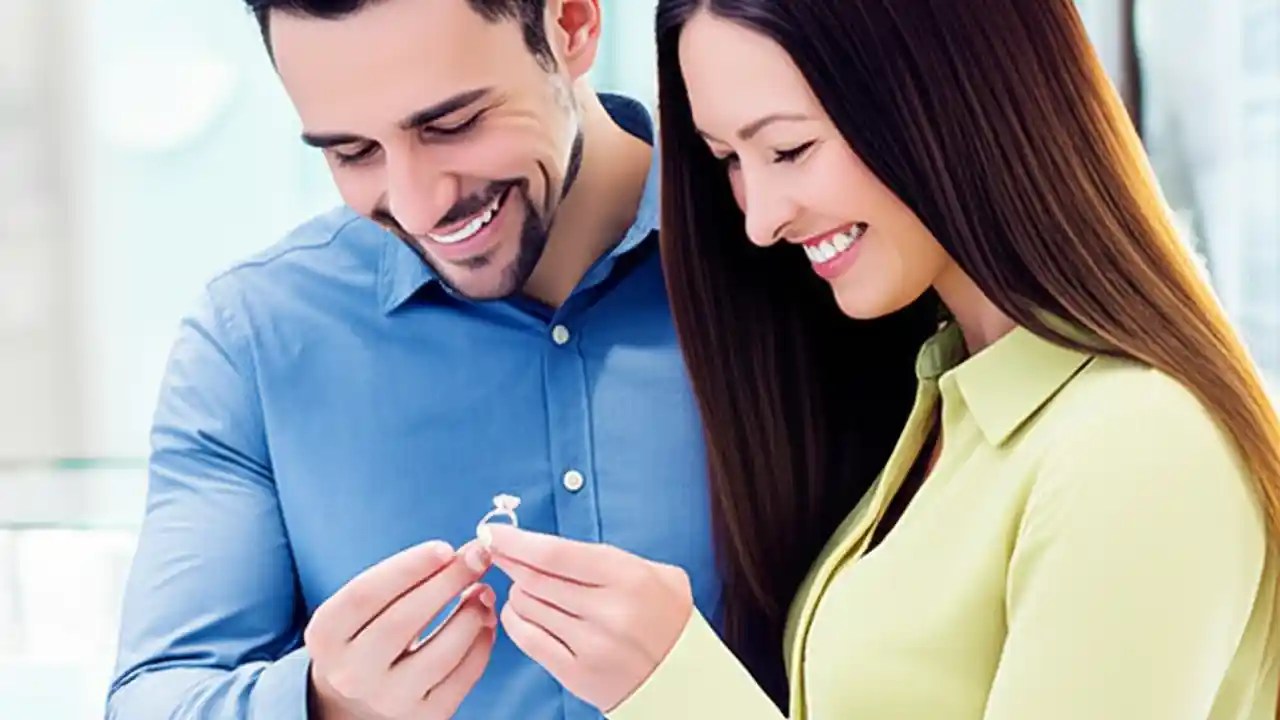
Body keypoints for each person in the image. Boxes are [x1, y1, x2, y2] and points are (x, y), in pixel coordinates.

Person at [478, 1, 1280, 718]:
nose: (760, 219)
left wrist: (673, 684)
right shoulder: (949, 407)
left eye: (788, 148)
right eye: (729, 160)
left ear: (948, 91)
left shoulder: (1135, 447)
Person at [104, 1, 721, 718]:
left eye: (453, 124)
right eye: (352, 153)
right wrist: (328, 703)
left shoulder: (784, 253)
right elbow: (156, 698)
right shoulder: (255, 339)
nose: (419, 206)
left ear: (573, 24)